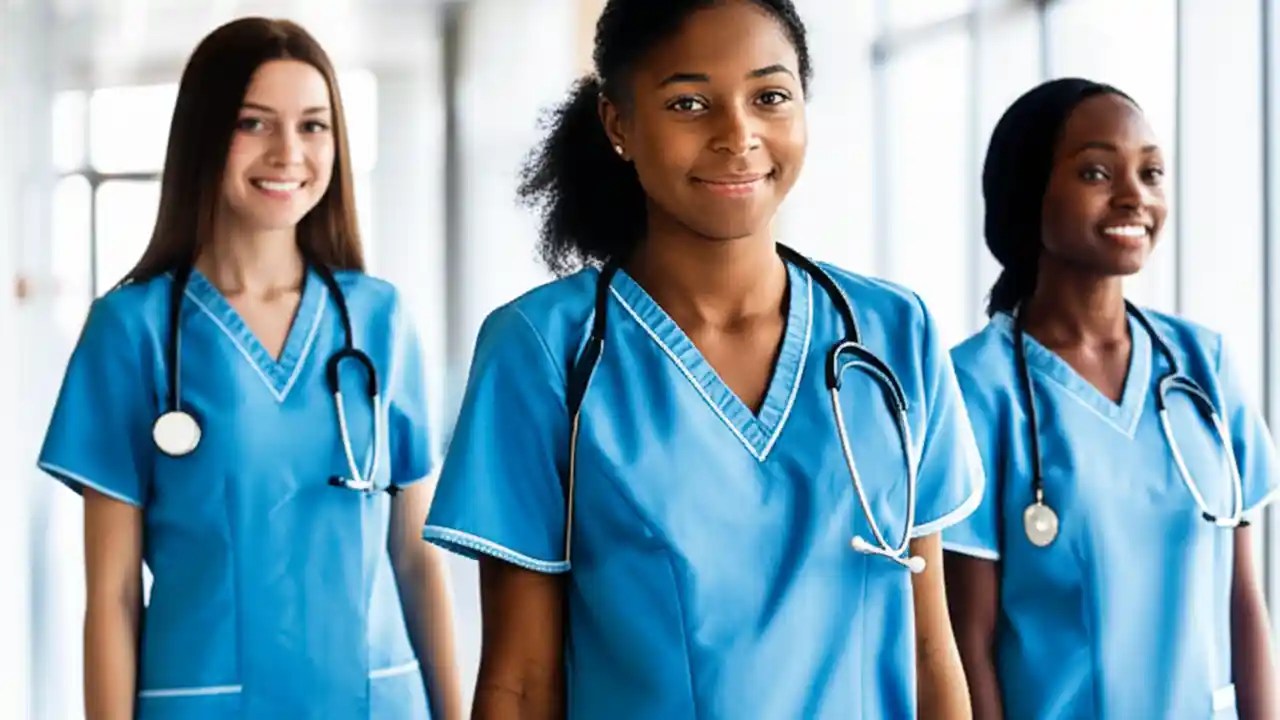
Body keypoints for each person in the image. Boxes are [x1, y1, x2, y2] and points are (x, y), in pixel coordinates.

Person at [421, 1, 982, 717]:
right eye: (689, 103)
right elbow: (521, 680)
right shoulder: (543, 351)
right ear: (618, 124)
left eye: (770, 96)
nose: (738, 134)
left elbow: (930, 648)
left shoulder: (892, 333)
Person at [37, 17, 461, 719]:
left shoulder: (380, 320)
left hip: (376, 701)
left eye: (313, 126)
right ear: (205, 134)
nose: (288, 152)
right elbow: (111, 597)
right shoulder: (133, 330)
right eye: (254, 123)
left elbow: (416, 562)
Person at [943, 77, 1280, 719]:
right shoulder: (975, 389)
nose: (1135, 196)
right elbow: (969, 645)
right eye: (1098, 172)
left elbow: (1243, 603)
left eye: (1151, 172)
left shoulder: (1202, 366)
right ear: (1029, 190)